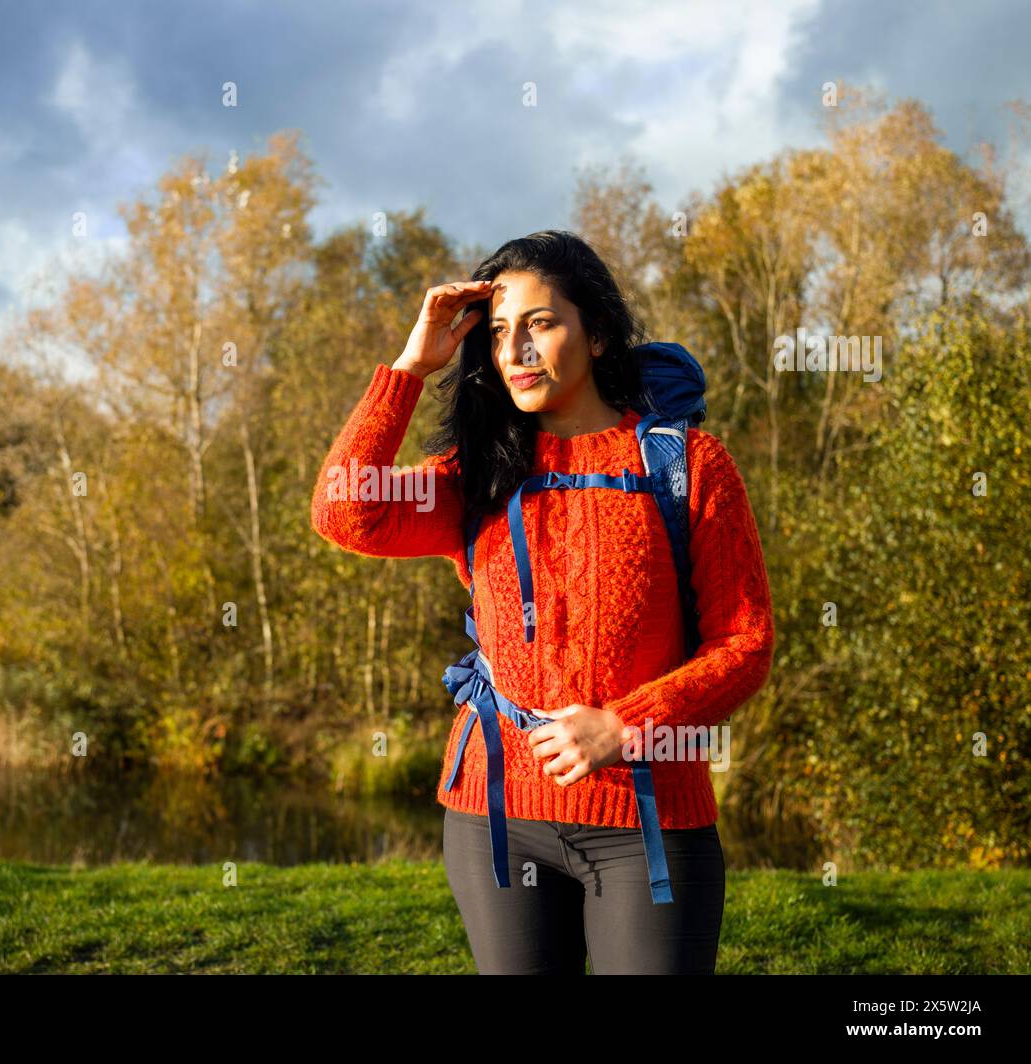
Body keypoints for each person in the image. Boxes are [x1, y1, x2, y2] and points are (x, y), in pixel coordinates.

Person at [310, 229, 774, 974]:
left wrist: (625, 727)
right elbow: (343, 511)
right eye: (498, 333)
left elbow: (746, 643)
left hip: (648, 820)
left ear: (595, 334)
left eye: (541, 324)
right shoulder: (478, 474)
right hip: (495, 817)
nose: (516, 352)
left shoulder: (689, 465)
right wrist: (411, 365)